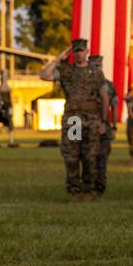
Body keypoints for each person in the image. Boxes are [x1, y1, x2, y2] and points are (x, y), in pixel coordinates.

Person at [43, 39, 102, 201]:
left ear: (87, 51)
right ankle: (75, 190)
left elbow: (103, 96)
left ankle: (89, 190)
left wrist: (104, 121)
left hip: (91, 118)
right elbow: (44, 75)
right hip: (74, 118)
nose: (79, 54)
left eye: (81, 50)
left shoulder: (96, 71)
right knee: (72, 155)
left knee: (90, 155)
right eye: (75, 51)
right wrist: (58, 59)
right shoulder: (66, 71)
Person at [91, 55, 116, 196]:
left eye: (98, 66)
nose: (97, 69)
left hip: (102, 125)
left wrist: (113, 126)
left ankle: (99, 188)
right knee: (83, 156)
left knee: (101, 157)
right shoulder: (84, 82)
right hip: (79, 123)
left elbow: (113, 106)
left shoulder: (107, 85)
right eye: (94, 66)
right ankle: (84, 186)